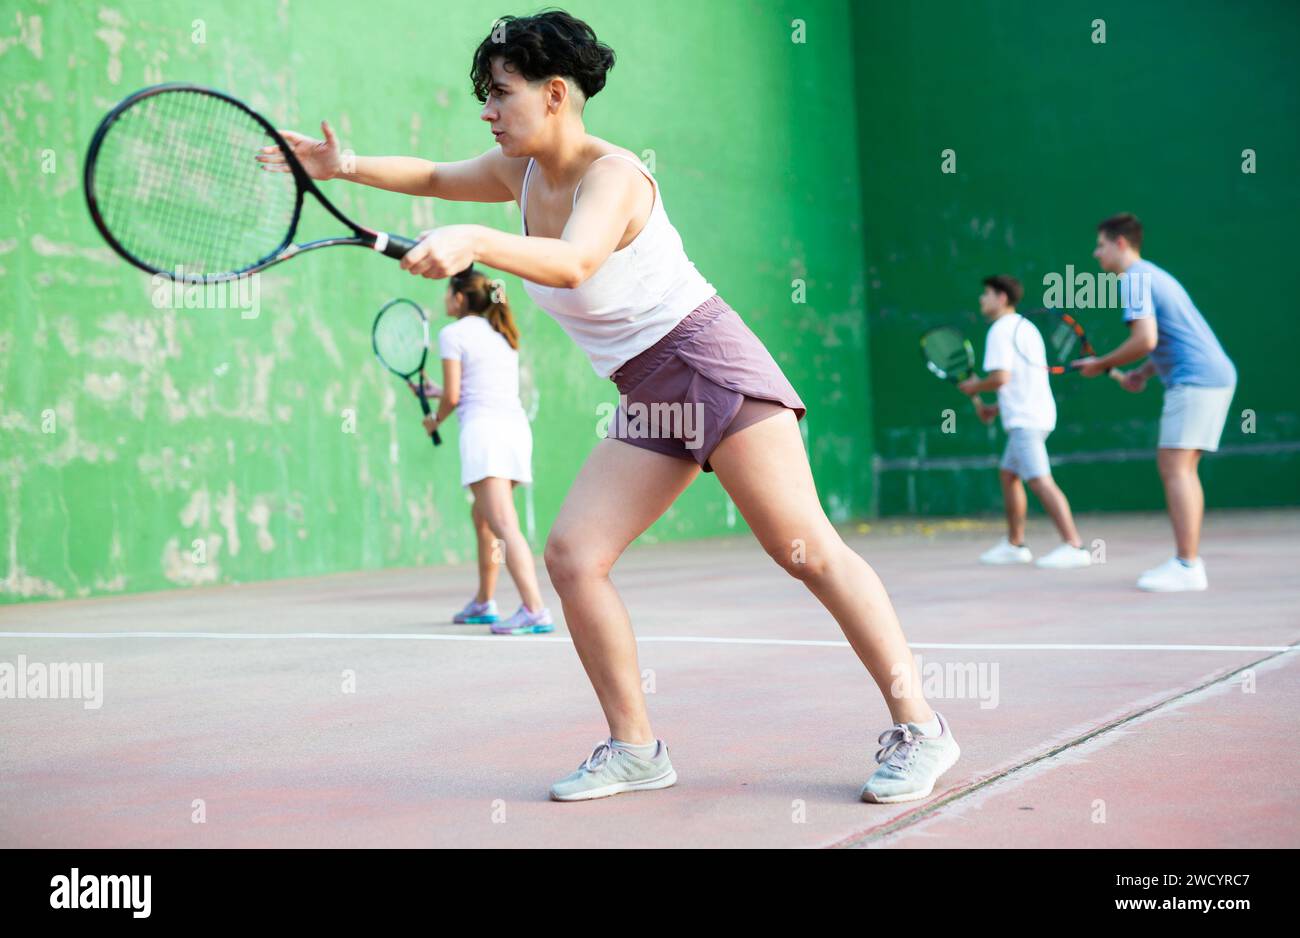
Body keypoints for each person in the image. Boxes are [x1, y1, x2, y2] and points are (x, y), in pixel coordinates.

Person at [258, 9, 958, 803]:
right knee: (574, 557)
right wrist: (342, 165)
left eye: (500, 93)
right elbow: (429, 176)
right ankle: (635, 749)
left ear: (555, 93)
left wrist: (475, 241)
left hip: (708, 363)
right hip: (646, 389)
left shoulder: (614, 174)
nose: (487, 111)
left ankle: (922, 729)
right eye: (485, 96)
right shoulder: (515, 172)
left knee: (807, 552)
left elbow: (576, 260)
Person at [1073, 214, 1236, 592]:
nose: (1096, 254)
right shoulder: (1152, 275)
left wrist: (1102, 364)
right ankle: (1187, 562)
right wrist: (1144, 374)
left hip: (1196, 379)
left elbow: (1145, 338)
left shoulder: (1134, 279)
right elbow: (1168, 337)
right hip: (1209, 375)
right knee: (1182, 467)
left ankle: (1187, 565)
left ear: (1121, 244)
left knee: (1175, 467)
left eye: (1100, 245)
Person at [424, 266, 554, 634]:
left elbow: (453, 397)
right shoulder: (502, 333)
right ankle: (484, 601)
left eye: (449, 293)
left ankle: (534, 609)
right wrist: (436, 393)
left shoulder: (452, 334)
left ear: (460, 298)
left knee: (502, 523)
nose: (445, 299)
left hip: (485, 434)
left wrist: (435, 419)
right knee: (484, 521)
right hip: (514, 432)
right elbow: (468, 388)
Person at [959, 276, 1091, 569]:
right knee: (1009, 474)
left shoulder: (1000, 330)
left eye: (987, 294)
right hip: (1035, 413)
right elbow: (1021, 379)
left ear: (1002, 298)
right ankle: (1015, 544)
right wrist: (993, 408)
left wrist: (975, 387)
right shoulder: (1026, 327)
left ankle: (1075, 545)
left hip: (1026, 420)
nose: (982, 300)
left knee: (1040, 480)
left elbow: (1001, 377)